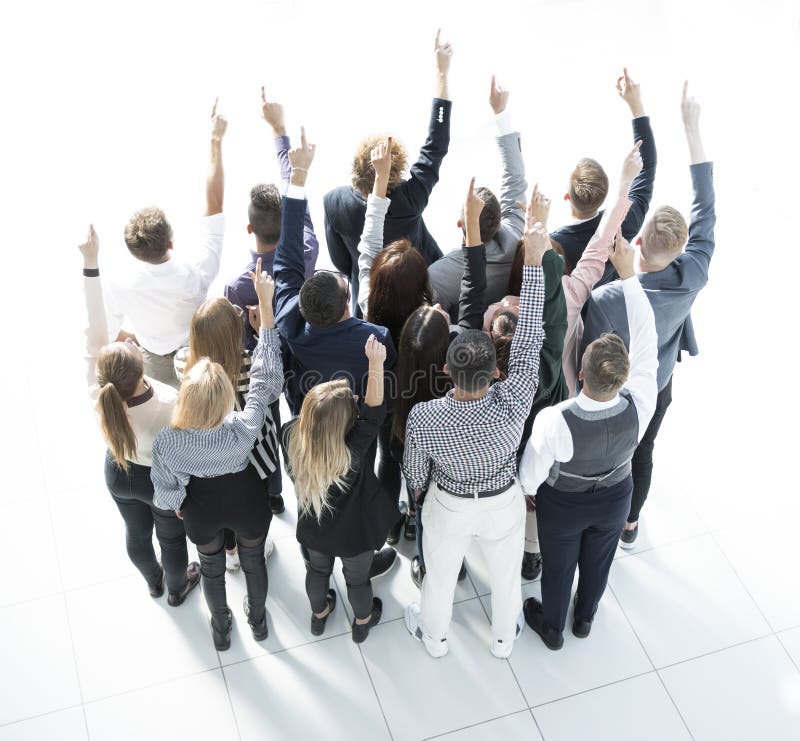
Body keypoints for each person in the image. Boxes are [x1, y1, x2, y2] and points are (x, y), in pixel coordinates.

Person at [403, 186, 548, 660]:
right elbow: (528, 338)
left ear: (447, 371)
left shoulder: (426, 415)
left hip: (448, 505)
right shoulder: (516, 396)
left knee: (440, 578)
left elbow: (413, 471)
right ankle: (505, 641)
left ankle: (435, 639)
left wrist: (419, 493)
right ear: (496, 371)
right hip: (503, 503)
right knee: (506, 580)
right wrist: (534, 256)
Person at [580, 82, 715, 547]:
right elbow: (706, 205)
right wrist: (692, 130)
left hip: (617, 390)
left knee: (614, 454)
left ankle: (607, 510)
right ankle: (631, 523)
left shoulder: (609, 298)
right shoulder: (694, 271)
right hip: (659, 383)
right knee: (646, 451)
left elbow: (588, 347)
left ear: (638, 242)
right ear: (680, 249)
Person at [519, 228, 658, 649]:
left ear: (581, 372)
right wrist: (628, 275)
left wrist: (529, 493)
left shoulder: (555, 419)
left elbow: (530, 478)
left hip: (563, 505)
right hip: (616, 497)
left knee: (558, 569)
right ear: (623, 377)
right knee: (598, 564)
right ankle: (585, 619)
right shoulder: (641, 403)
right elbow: (647, 336)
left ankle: (553, 627)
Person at [273, 127, 398, 578]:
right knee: (357, 495)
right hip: (356, 434)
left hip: (310, 425)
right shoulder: (374, 338)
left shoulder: (288, 317)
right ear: (348, 303)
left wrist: (297, 177)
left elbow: (286, 256)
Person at [151, 259, 282, 651]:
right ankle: (258, 621)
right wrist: (267, 313)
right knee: (255, 562)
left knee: (210, 571)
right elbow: (265, 379)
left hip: (201, 511)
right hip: (247, 502)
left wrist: (178, 503)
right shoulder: (243, 428)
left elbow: (164, 491)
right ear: (226, 396)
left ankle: (221, 627)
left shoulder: (169, 441)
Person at [78, 224, 199, 606]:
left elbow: (95, 324)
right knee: (170, 538)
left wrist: (91, 263)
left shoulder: (98, 391)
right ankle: (178, 588)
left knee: (135, 532)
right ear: (142, 370)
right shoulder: (167, 406)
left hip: (116, 472)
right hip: (158, 481)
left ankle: (153, 582)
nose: (128, 338)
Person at [223, 89, 322, 517]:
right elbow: (295, 191)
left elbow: (238, 342)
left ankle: (274, 491)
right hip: (299, 358)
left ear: (248, 227)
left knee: (263, 425)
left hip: (260, 370)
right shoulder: (306, 248)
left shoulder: (236, 285)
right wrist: (281, 134)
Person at [392, 177, 488, 582]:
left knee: (425, 513)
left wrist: (415, 491)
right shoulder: (459, 362)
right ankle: (456, 560)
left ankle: (425, 558)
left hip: (420, 477)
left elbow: (411, 468)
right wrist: (472, 225)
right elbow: (474, 286)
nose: (442, 308)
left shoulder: (397, 385)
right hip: (457, 476)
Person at [323, 30, 453, 316]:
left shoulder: (335, 202)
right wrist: (441, 73)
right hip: (417, 299)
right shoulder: (410, 199)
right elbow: (436, 145)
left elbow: (342, 263)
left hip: (371, 305)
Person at [105, 100, 228, 388]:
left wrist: (132, 340)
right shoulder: (195, 273)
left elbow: (106, 333)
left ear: (135, 253)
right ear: (171, 241)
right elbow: (215, 204)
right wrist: (216, 140)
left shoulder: (120, 283)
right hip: (198, 357)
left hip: (154, 366)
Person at [282, 336, 395, 643]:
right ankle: (362, 621)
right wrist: (376, 364)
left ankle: (319, 616)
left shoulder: (289, 435)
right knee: (357, 582)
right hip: (354, 534)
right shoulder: (353, 451)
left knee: (317, 573)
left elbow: (365, 412)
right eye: (352, 404)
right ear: (344, 424)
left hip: (315, 527)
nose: (357, 400)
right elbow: (375, 411)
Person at [173, 297, 278, 571]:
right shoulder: (248, 363)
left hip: (209, 454)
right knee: (251, 502)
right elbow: (272, 381)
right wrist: (261, 330)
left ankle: (230, 551)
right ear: (234, 334)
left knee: (225, 501)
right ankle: (252, 547)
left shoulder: (183, 363)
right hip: (253, 451)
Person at [428, 76, 527, 317]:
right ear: (500, 217)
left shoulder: (443, 271)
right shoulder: (515, 234)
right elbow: (514, 178)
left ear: (462, 223)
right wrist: (501, 113)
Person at [549, 69, 656, 284]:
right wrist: (636, 106)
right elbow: (647, 167)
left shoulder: (555, 245)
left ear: (568, 198)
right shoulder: (624, 222)